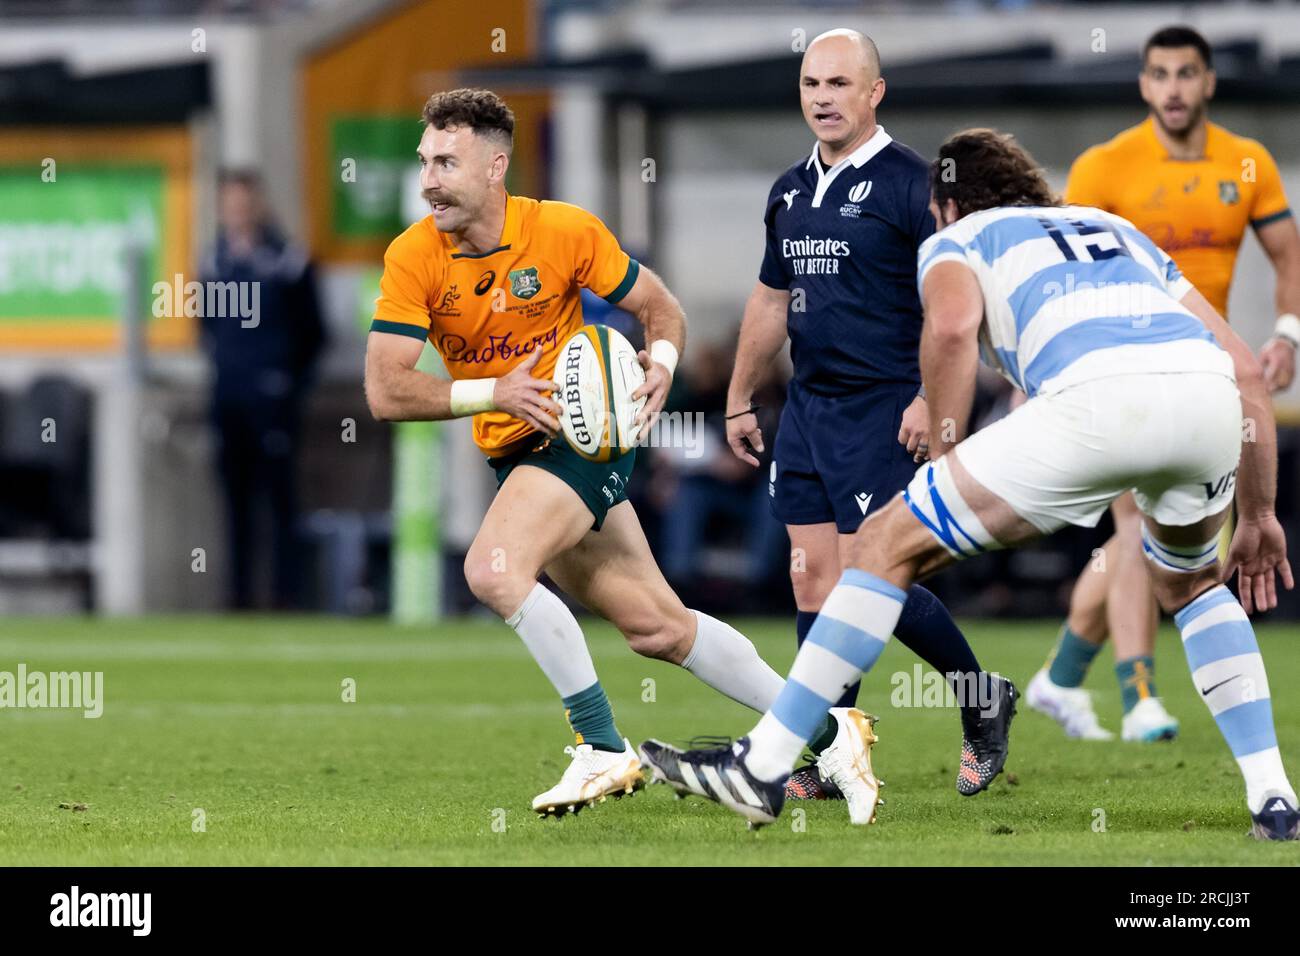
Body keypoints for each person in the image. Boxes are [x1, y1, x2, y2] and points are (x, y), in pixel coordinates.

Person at [641, 128, 1298, 841]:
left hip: (1092, 405)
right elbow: (1246, 370)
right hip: (1204, 406)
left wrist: (945, 448)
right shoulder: (1117, 229)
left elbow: (952, 329)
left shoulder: (960, 237)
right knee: (1195, 587)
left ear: (948, 204)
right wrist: (1260, 513)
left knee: (881, 546)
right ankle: (1273, 797)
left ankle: (762, 765)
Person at [363, 88, 877, 819]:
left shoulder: (564, 232)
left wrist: (662, 360)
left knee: (492, 568)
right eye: (425, 162)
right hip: (516, 450)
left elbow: (661, 308)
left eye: (447, 162)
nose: (429, 180)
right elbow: (385, 391)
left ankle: (601, 748)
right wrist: (492, 394)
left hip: (583, 441)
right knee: (659, 628)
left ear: (494, 167)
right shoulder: (414, 257)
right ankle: (831, 733)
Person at [725, 28, 1000, 802]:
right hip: (808, 407)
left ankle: (982, 701)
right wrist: (740, 395)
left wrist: (927, 397)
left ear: (874, 93)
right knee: (811, 573)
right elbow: (770, 299)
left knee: (871, 571)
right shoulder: (787, 189)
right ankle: (834, 749)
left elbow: (954, 308)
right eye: (812, 84)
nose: (822, 98)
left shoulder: (914, 186)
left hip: (885, 405)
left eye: (840, 84)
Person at [1030, 25, 1300, 744]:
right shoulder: (1104, 167)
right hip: (1121, 365)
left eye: (1187, 73)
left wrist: (1286, 334)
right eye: (1159, 74)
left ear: (1208, 82)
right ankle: (1140, 693)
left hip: (1209, 374)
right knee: (1131, 527)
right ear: (1144, 84)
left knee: (1154, 536)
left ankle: (1057, 680)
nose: (1173, 87)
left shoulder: (1248, 163)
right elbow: (1060, 268)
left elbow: (1287, 253)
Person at [200, 170, 326, 610]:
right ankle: (238, 596)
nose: (238, 211)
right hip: (228, 398)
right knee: (235, 502)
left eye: (244, 202)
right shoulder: (213, 262)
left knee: (279, 500)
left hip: (273, 401)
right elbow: (207, 329)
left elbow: (312, 332)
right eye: (230, 203)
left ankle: (285, 596)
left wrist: (287, 382)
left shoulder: (287, 261)